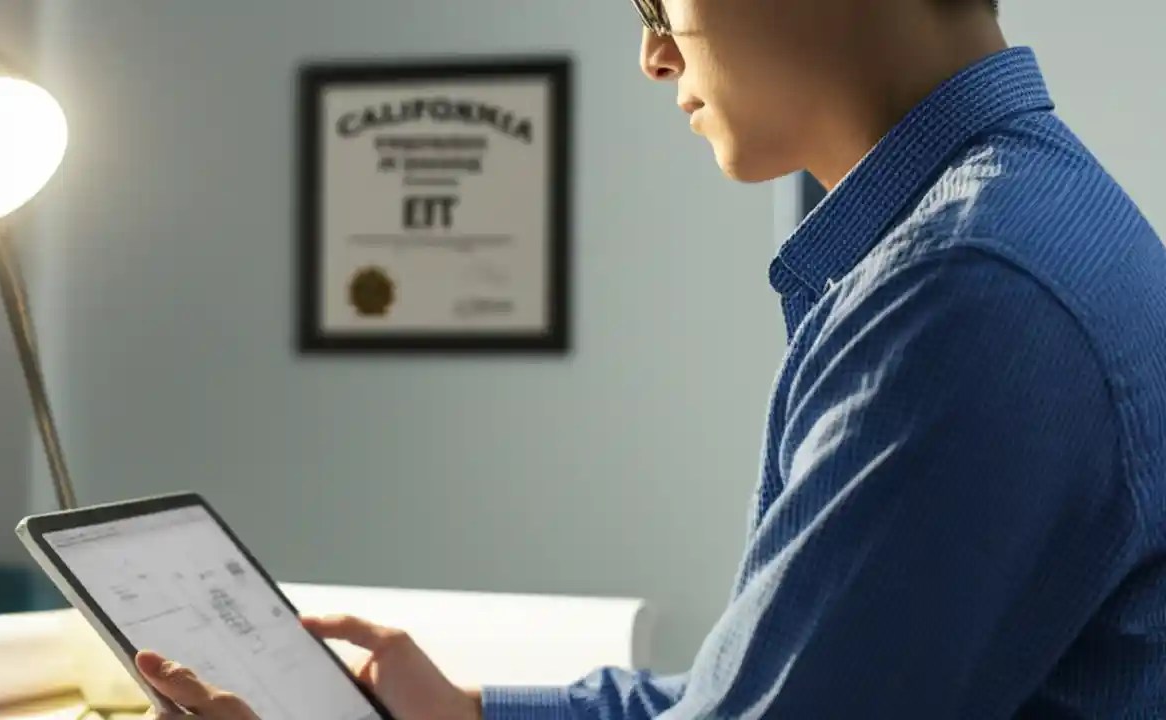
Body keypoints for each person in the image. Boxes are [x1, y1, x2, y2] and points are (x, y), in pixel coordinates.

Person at [136, 0, 1166, 716]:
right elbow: (752, 686)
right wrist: (468, 713)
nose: (653, 56)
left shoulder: (964, 291)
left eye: (652, 2)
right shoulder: (1021, 227)